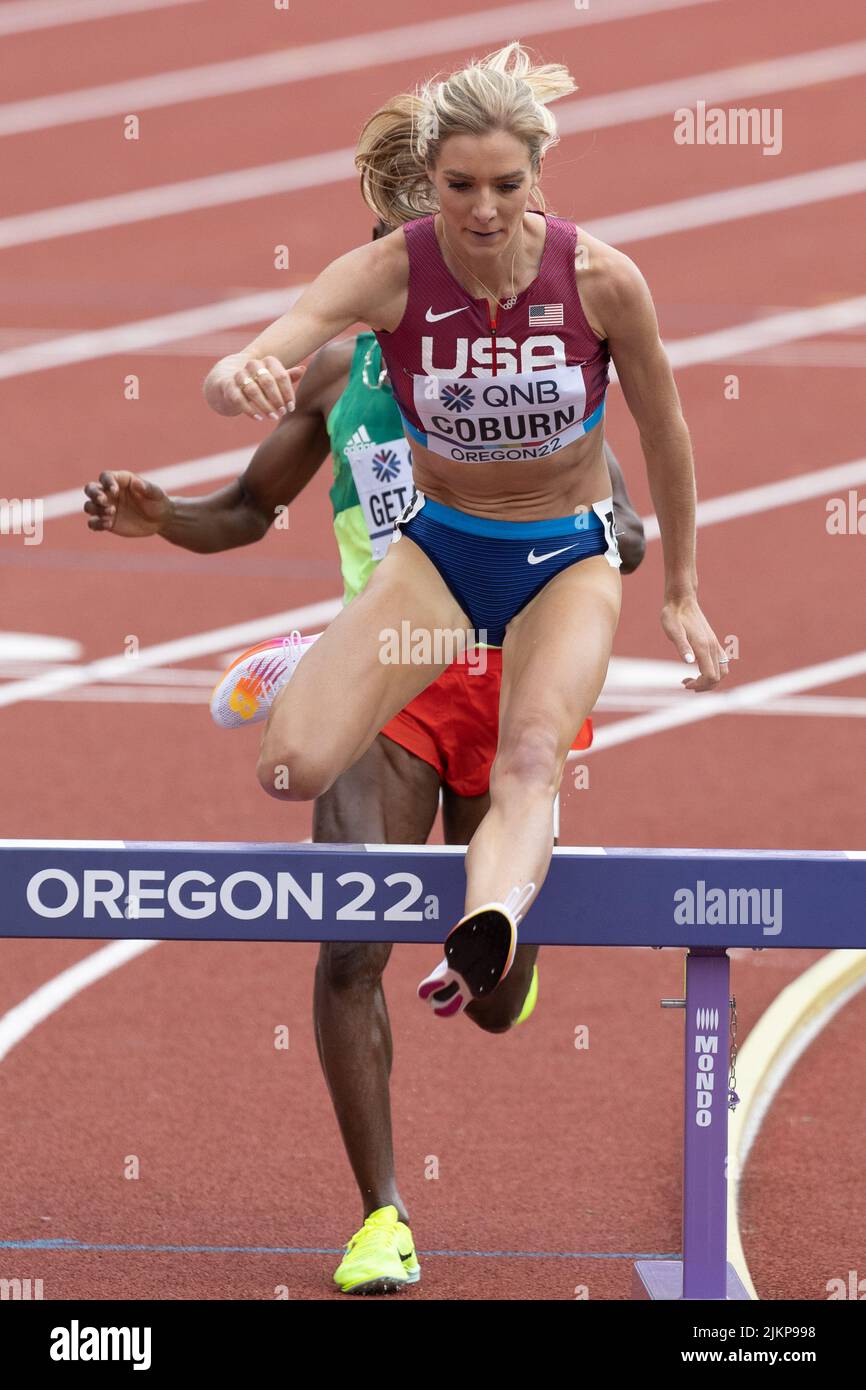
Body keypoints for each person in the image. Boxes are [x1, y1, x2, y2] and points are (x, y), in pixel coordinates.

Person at [83, 209, 647, 1293]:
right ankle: (381, 1215)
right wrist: (166, 517)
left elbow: (619, 527)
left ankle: (508, 968)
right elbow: (249, 509)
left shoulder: (524, 366)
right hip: (385, 683)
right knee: (350, 939)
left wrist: (578, 533)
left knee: (488, 997)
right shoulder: (338, 374)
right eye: (405, 253)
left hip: (509, 680)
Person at [202, 41, 727, 1030]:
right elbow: (269, 343)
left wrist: (681, 592)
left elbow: (664, 433)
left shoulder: (602, 280)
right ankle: (305, 666)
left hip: (561, 561)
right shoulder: (386, 272)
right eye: (457, 188)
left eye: (505, 186)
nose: (482, 212)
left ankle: (485, 916)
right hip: (439, 556)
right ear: (428, 178)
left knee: (529, 753)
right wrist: (239, 375)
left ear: (537, 175)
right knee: (292, 769)